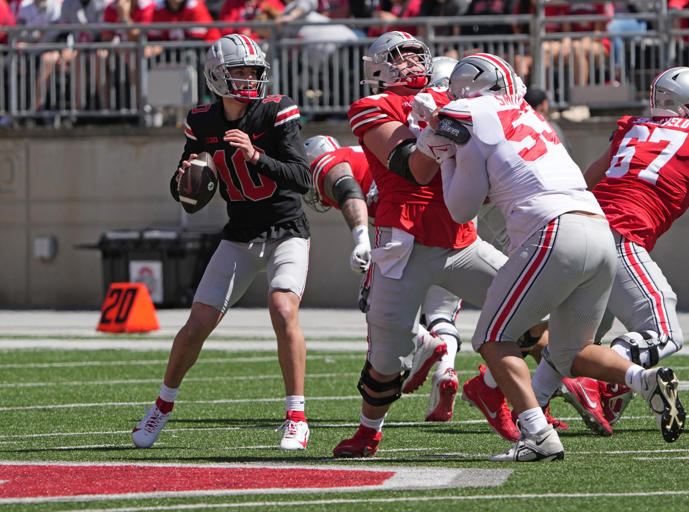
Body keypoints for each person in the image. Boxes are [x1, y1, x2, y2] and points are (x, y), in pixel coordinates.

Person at [415, 53, 688, 461]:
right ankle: (641, 379)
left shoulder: (471, 110)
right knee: (568, 353)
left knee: (491, 337)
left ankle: (537, 435)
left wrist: (440, 149)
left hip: (553, 231)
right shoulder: (528, 114)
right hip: (597, 229)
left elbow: (459, 208)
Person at [556, 66, 689, 435]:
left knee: (579, 339)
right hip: (620, 236)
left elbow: (592, 174)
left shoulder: (632, 127)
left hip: (579, 228)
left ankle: (510, 397)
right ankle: (602, 380)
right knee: (664, 333)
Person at [332, 31, 514, 458]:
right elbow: (412, 168)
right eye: (401, 56)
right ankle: (368, 432)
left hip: (460, 238)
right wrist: (442, 128)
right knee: (386, 357)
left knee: (528, 311)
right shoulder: (370, 107)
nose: (413, 62)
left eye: (417, 54)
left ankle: (502, 397)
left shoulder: (448, 97)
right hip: (403, 244)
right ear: (378, 66)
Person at [131, 34, 313, 451]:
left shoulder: (276, 112)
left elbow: (302, 179)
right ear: (216, 77)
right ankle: (162, 405)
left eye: (253, 71)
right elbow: (189, 196)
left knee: (283, 308)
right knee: (196, 325)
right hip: (240, 234)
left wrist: (256, 157)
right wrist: (183, 185)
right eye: (239, 72)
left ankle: (296, 417)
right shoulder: (202, 121)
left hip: (287, 229)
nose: (249, 79)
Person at [302, 134, 465, 423]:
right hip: (451, 220)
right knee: (442, 314)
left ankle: (422, 342)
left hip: (405, 228)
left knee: (377, 307)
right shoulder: (368, 151)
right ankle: (445, 370)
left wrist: (362, 240)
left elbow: (347, 188)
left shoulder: (331, 163)